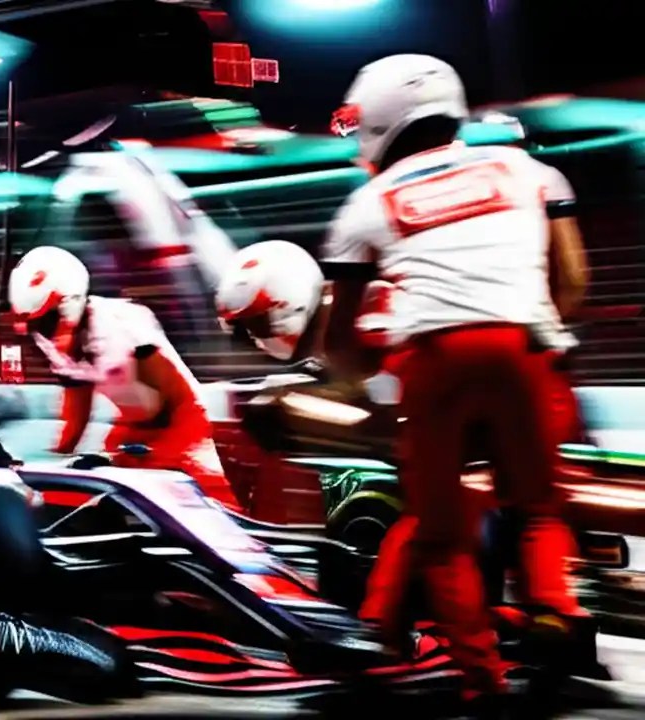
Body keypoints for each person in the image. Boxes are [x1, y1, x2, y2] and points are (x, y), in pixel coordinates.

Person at [318, 54, 590, 699]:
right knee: (538, 507)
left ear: (379, 120)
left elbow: (340, 341)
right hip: (524, 350)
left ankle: (482, 681)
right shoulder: (526, 170)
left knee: (442, 536)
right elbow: (573, 282)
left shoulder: (366, 203)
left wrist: (374, 387)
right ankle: (554, 607)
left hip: (435, 364)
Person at [8, 245, 241, 510]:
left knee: (214, 505)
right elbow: (77, 403)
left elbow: (161, 402)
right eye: (33, 324)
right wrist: (59, 459)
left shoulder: (124, 323)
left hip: (182, 422)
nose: (40, 332)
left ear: (70, 303)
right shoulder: (51, 339)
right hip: (133, 427)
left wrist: (137, 457)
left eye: (45, 321)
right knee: (66, 496)